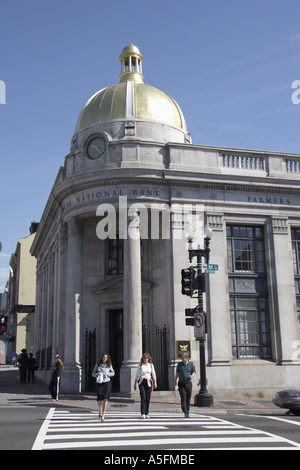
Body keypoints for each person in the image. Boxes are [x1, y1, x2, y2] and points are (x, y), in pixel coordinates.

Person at [92, 353, 115, 422]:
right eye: (104, 357)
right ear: (102, 358)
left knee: (105, 398)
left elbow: (113, 373)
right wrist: (97, 374)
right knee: (99, 399)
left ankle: (103, 414)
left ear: (107, 358)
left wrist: (108, 374)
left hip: (107, 382)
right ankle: (100, 411)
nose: (104, 358)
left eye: (106, 357)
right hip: (100, 382)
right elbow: (93, 373)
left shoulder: (109, 365)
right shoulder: (98, 365)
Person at [134, 353, 157, 419]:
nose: (145, 359)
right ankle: (143, 413)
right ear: (142, 358)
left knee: (148, 397)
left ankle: (147, 413)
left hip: (149, 381)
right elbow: (137, 374)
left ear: (149, 358)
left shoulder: (151, 365)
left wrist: (155, 383)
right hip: (142, 381)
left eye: (147, 358)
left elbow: (153, 374)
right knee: (143, 397)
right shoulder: (140, 365)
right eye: (144, 358)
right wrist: (135, 384)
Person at [174, 353, 196, 418]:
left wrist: (192, 375)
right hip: (181, 383)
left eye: (183, 358)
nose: (182, 359)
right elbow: (177, 373)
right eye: (181, 358)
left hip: (188, 383)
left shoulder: (191, 364)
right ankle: (185, 411)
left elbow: (194, 371)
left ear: (187, 358)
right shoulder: (180, 364)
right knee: (183, 397)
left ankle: (187, 411)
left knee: (188, 398)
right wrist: (175, 381)